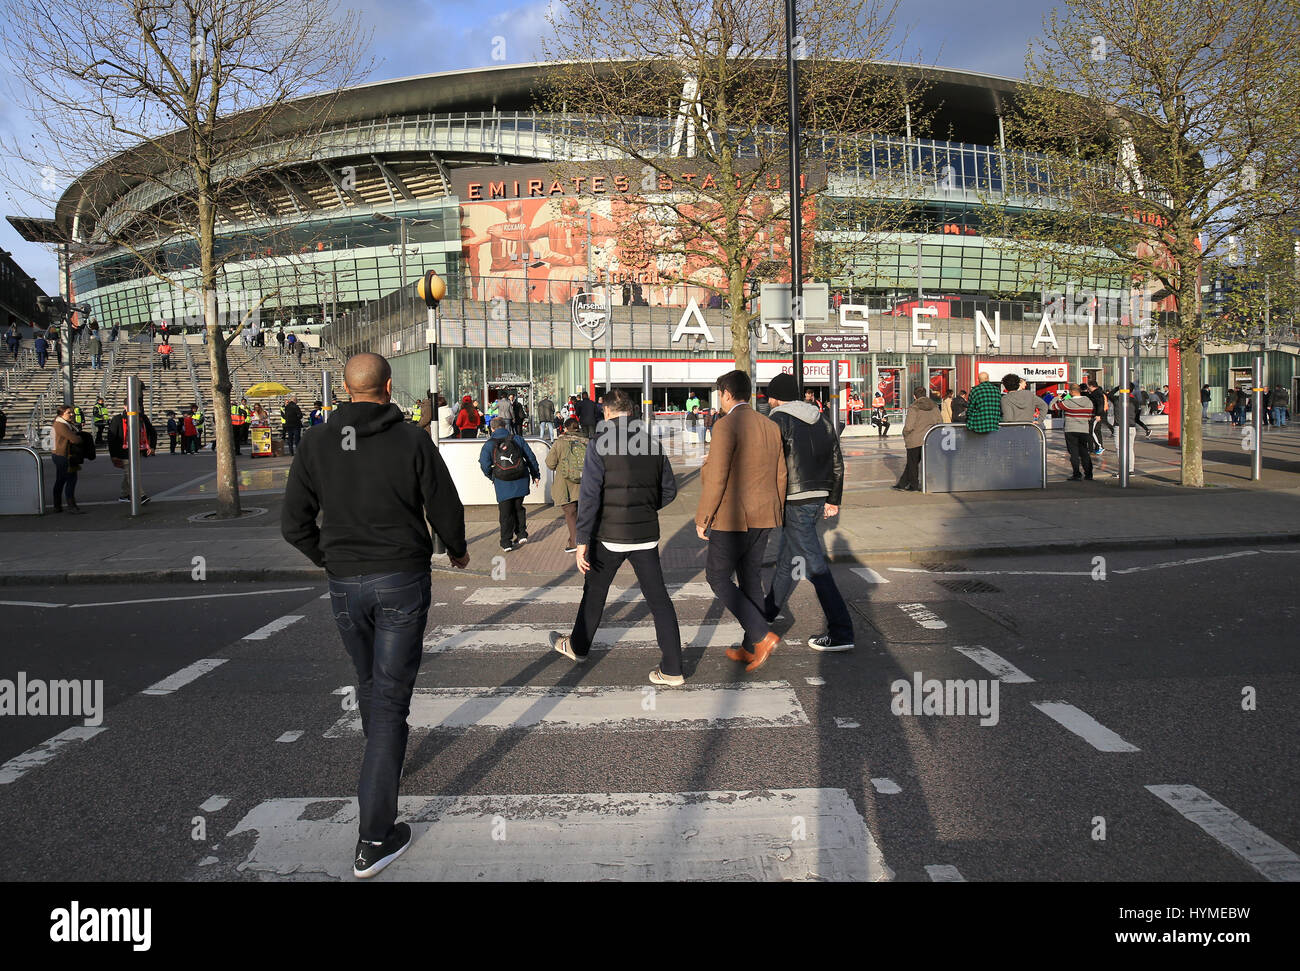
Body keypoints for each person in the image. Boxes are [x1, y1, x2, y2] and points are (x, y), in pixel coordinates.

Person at [281, 352, 468, 879]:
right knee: (389, 702)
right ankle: (374, 837)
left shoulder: (318, 440)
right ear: (388, 387)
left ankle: (381, 763)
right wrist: (455, 548)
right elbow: (444, 502)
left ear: (345, 388)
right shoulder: (410, 439)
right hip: (400, 580)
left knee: (369, 684)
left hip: (345, 585)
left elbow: (292, 522)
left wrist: (329, 557)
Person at [549, 389, 684, 686]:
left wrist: (582, 541)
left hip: (608, 535)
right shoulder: (651, 442)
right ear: (631, 412)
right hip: (646, 534)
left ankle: (578, 646)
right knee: (659, 600)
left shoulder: (599, 444)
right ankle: (673, 668)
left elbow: (589, 497)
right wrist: (646, 507)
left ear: (607, 413)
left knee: (595, 593)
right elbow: (670, 490)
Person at [695, 369, 786, 673]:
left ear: (727, 394)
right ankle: (750, 647)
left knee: (717, 577)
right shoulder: (769, 425)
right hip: (765, 513)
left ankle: (761, 635)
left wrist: (703, 517)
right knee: (750, 579)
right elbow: (781, 474)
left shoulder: (725, 426)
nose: (719, 400)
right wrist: (778, 509)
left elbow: (717, 477)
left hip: (733, 517)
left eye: (719, 394)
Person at [762, 373, 854, 651]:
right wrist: (833, 499)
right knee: (787, 558)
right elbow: (838, 462)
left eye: (769, 396)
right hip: (818, 497)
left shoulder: (777, 420)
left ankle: (841, 631)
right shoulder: (822, 420)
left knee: (815, 567)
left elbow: (769, 463)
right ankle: (768, 611)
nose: (768, 401)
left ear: (776, 397)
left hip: (795, 498)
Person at [479, 415, 541, 551]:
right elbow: (530, 457)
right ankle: (521, 534)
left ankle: (506, 542)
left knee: (505, 511)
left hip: (502, 481)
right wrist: (535, 474)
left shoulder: (489, 444)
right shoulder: (517, 439)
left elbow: (484, 464)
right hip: (520, 478)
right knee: (518, 507)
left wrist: (492, 476)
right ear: (505, 426)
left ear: (492, 428)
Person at [545, 417, 588, 553]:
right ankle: (586, 541)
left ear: (565, 428)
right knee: (584, 514)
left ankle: (574, 542)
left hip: (565, 485)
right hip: (585, 484)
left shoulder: (560, 442)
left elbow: (550, 463)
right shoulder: (587, 441)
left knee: (570, 513)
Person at [107, 395, 154, 503]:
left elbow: (152, 432)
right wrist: (113, 455)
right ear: (125, 406)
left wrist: (152, 446)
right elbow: (112, 439)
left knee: (128, 473)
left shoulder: (142, 418)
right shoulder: (117, 419)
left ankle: (124, 494)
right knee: (131, 473)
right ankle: (141, 495)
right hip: (123, 452)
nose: (135, 408)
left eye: (136, 405)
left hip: (138, 449)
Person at [895, 387, 940, 491]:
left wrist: (905, 434)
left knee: (912, 463)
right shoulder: (934, 406)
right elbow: (939, 421)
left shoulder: (914, 407)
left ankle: (914, 485)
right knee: (916, 463)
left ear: (914, 396)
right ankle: (902, 483)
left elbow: (909, 426)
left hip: (915, 439)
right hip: (929, 439)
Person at [1053, 383, 1095, 480]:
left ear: (1071, 392)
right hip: (1084, 429)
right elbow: (1090, 414)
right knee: (1084, 452)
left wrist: (1057, 398)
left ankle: (1076, 474)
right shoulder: (1088, 402)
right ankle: (1088, 474)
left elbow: (1052, 406)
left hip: (1071, 429)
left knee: (1074, 453)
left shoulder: (1067, 402)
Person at [50, 405, 84, 514]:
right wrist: (79, 438)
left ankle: (58, 505)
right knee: (70, 479)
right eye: (69, 412)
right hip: (63, 455)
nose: (72, 414)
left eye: (72, 412)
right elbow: (74, 439)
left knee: (61, 479)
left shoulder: (63, 423)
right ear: (62, 414)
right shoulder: (61, 425)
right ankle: (71, 506)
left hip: (62, 454)